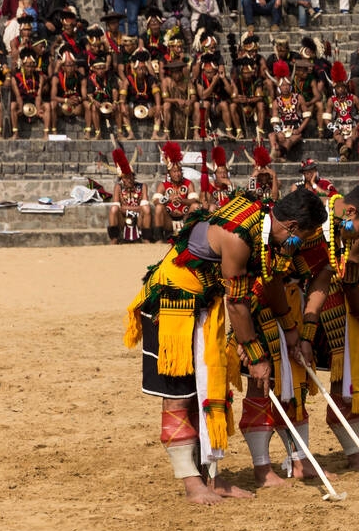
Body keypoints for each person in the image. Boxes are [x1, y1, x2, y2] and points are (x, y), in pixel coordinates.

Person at [123, 186, 330, 503]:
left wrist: (291, 330)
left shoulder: (267, 229)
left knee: (210, 390)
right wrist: (257, 356)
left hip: (205, 306)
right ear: (292, 228)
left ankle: (212, 477)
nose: (299, 246)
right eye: (302, 238)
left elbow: (271, 280)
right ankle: (194, 483)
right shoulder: (241, 237)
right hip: (173, 304)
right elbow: (237, 303)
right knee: (181, 395)